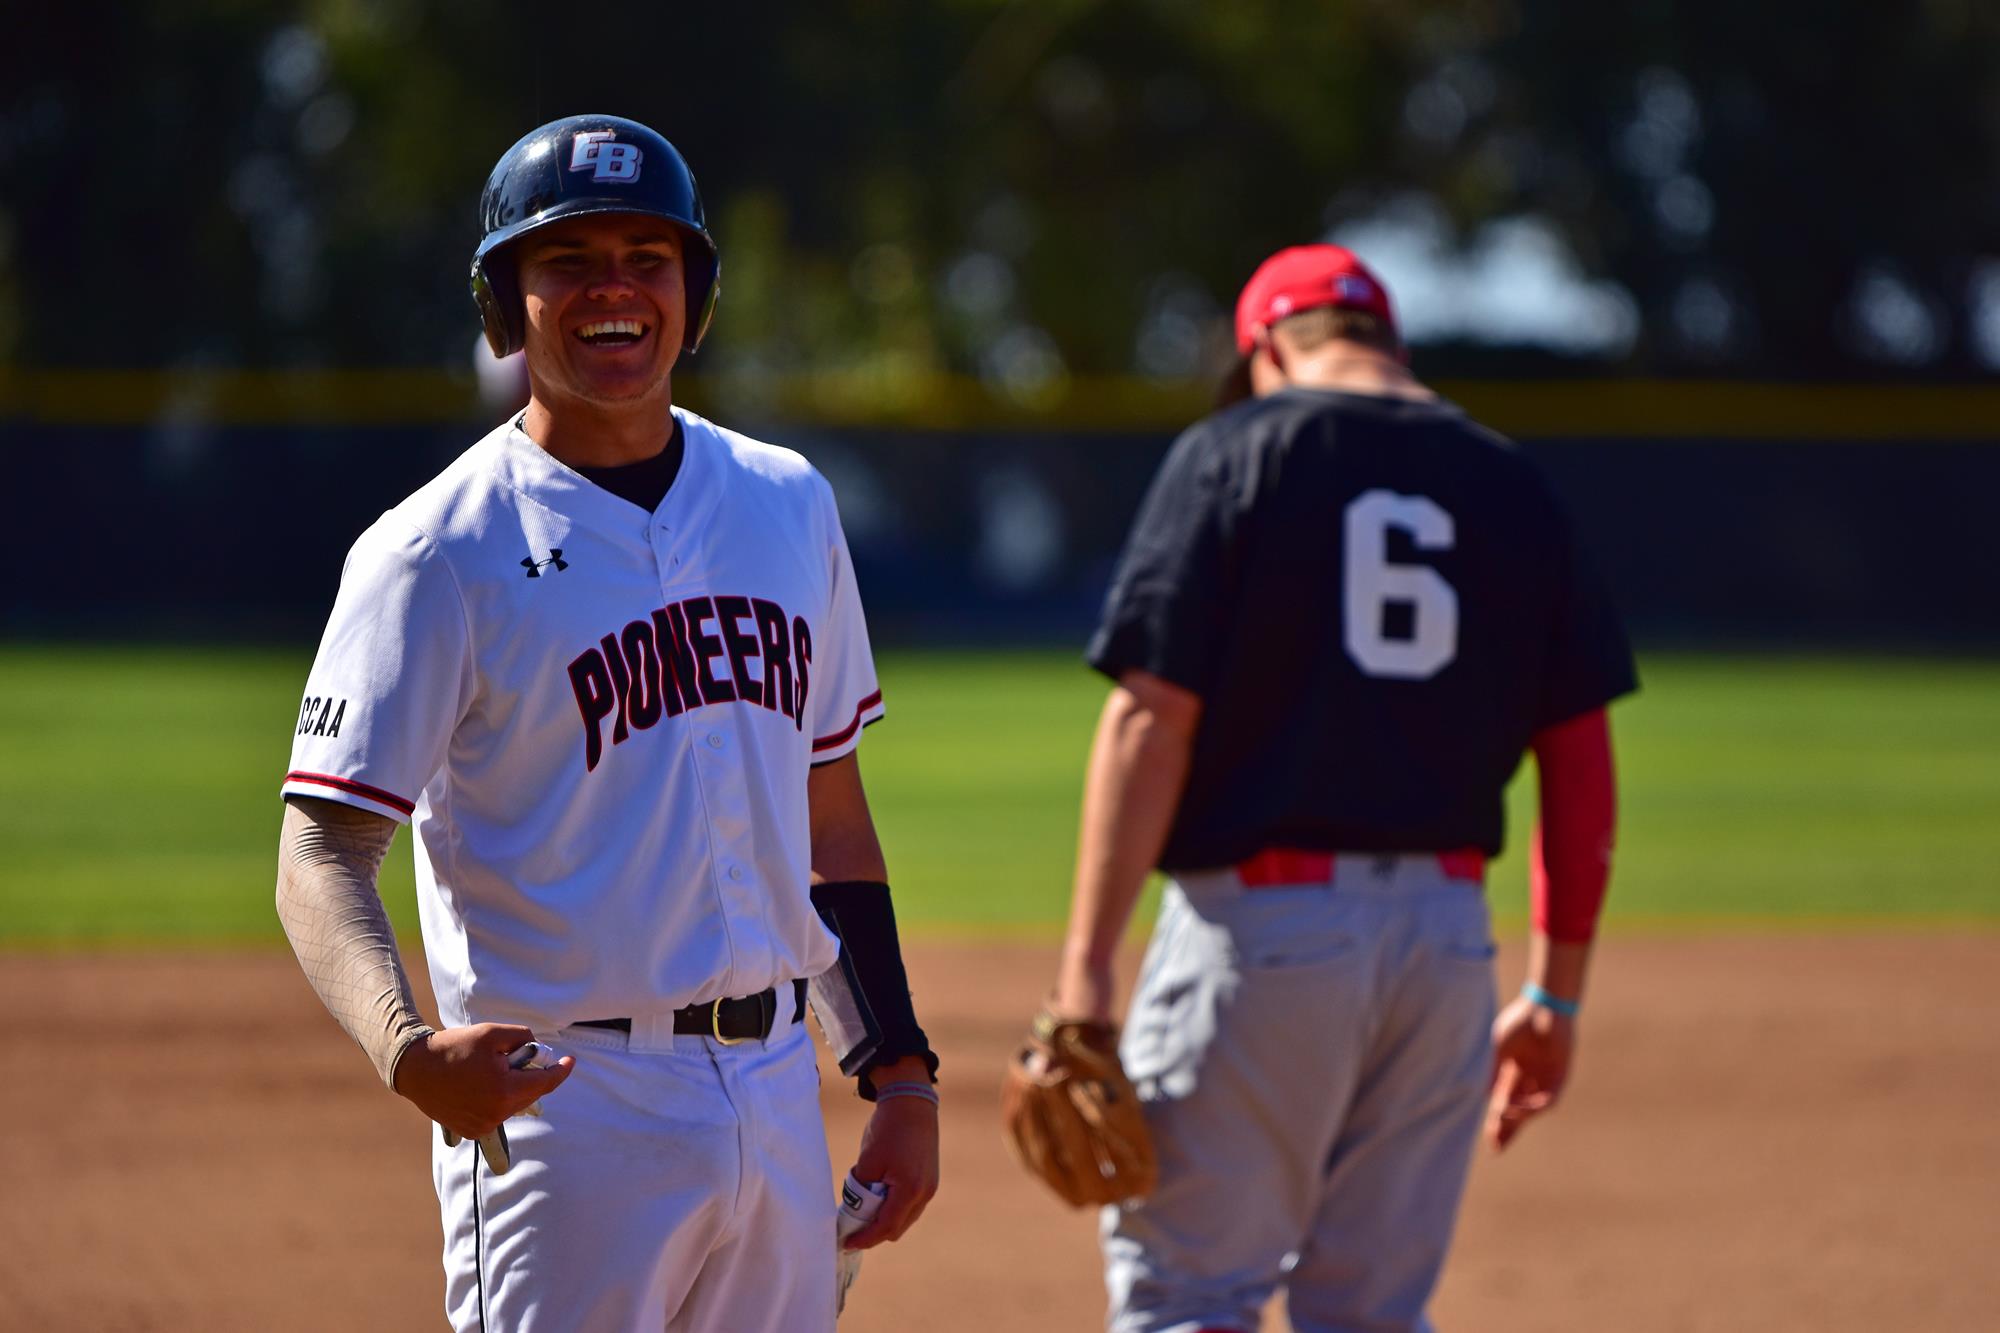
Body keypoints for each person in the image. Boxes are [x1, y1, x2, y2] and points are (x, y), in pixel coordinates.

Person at [274, 114, 939, 1333]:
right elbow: (320, 850)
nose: (614, 290)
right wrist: (406, 1048)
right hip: (567, 1107)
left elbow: (827, 816)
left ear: (695, 291)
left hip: (774, 1088)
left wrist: (896, 1068)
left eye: (648, 255)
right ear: (504, 302)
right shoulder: (435, 548)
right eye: (569, 262)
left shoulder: (787, 503)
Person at [1045, 243, 1636, 1333]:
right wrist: (1553, 994)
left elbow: (1146, 717)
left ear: (1265, 347)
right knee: (1370, 1313)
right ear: (1388, 343)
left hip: (1264, 934)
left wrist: (1084, 970)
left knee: (1188, 1295)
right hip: (1447, 944)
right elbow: (1580, 755)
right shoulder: (1511, 480)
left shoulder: (1232, 453)